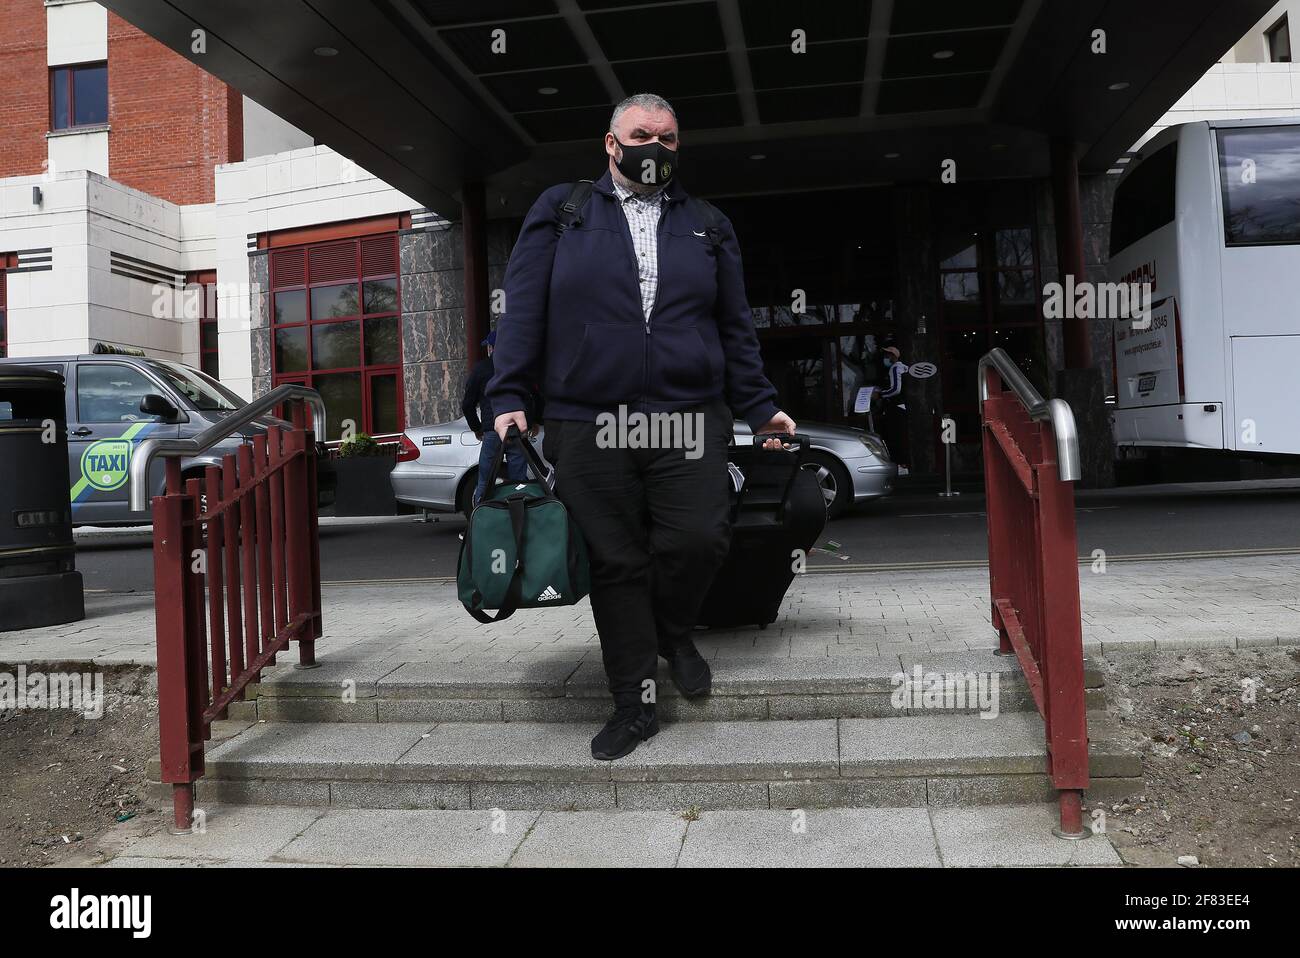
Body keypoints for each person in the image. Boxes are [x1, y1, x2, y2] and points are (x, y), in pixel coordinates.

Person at [487, 92, 796, 760]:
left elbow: (735, 326)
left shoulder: (708, 224)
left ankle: (673, 631)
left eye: (668, 138)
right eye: (641, 136)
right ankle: (635, 703)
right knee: (616, 562)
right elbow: (523, 310)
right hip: (588, 417)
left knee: (699, 539)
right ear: (611, 143)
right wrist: (508, 392)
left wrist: (759, 404)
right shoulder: (563, 211)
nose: (655, 148)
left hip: (687, 415)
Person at [462, 329, 527, 507]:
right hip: (516, 430)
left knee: (485, 481)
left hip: (492, 430)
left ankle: (481, 518)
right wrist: (533, 421)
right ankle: (519, 517)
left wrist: (477, 428)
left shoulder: (481, 369)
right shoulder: (518, 366)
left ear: (491, 348)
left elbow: (467, 404)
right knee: (519, 482)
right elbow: (530, 397)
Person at [877, 345, 910, 475]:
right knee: (900, 436)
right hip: (902, 406)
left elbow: (896, 389)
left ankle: (901, 466)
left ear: (894, 356)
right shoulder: (904, 367)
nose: (886, 357)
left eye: (888, 354)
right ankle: (903, 465)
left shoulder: (895, 368)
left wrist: (880, 394)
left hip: (896, 407)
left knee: (895, 437)